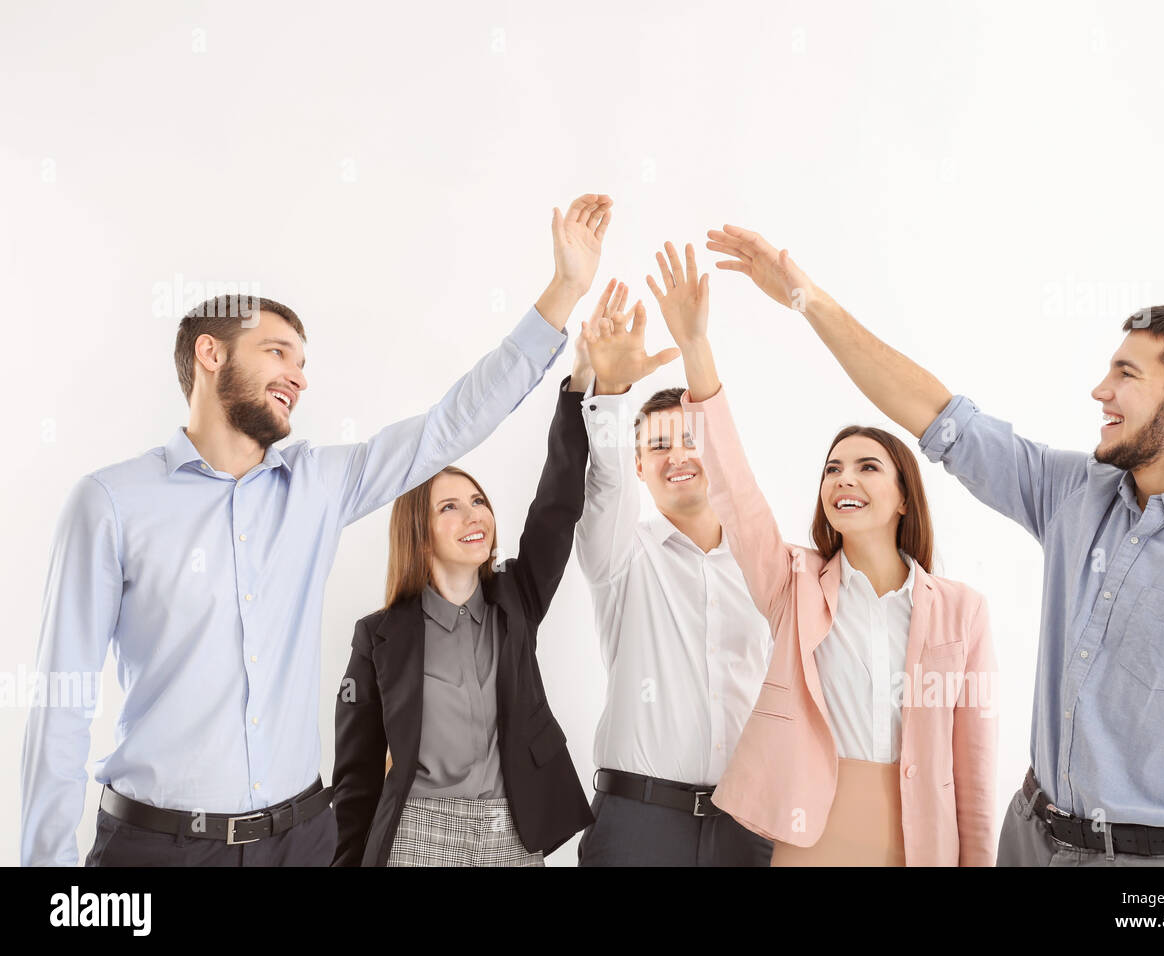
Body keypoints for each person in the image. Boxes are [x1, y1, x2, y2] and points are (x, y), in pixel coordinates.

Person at [19, 194, 612, 867]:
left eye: (302, 362)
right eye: (278, 353)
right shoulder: (110, 503)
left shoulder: (318, 486)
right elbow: (62, 703)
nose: (298, 377)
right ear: (210, 355)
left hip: (299, 841)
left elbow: (450, 423)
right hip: (159, 847)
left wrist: (563, 293)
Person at [704, 223, 1164, 867]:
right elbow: (937, 414)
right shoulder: (1075, 493)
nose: (1100, 390)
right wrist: (805, 297)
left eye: (1126, 375)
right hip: (1031, 841)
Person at [646, 241, 996, 865]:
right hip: (813, 833)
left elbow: (974, 764)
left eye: (867, 467)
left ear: (904, 499)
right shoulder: (794, 584)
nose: (844, 480)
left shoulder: (961, 611)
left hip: (922, 843)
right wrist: (697, 348)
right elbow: (736, 491)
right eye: (833, 469)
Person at [331, 323, 601, 866]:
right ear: (418, 531)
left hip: (511, 826)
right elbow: (356, 776)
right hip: (417, 831)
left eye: (477, 501)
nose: (473, 514)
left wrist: (579, 386)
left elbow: (556, 507)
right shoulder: (378, 636)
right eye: (449, 506)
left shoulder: (516, 600)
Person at [572, 281, 776, 866]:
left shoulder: (764, 562)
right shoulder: (620, 555)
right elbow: (605, 486)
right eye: (658, 447)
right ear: (640, 466)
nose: (677, 456)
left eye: (690, 440)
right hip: (639, 824)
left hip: (744, 824)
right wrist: (612, 391)